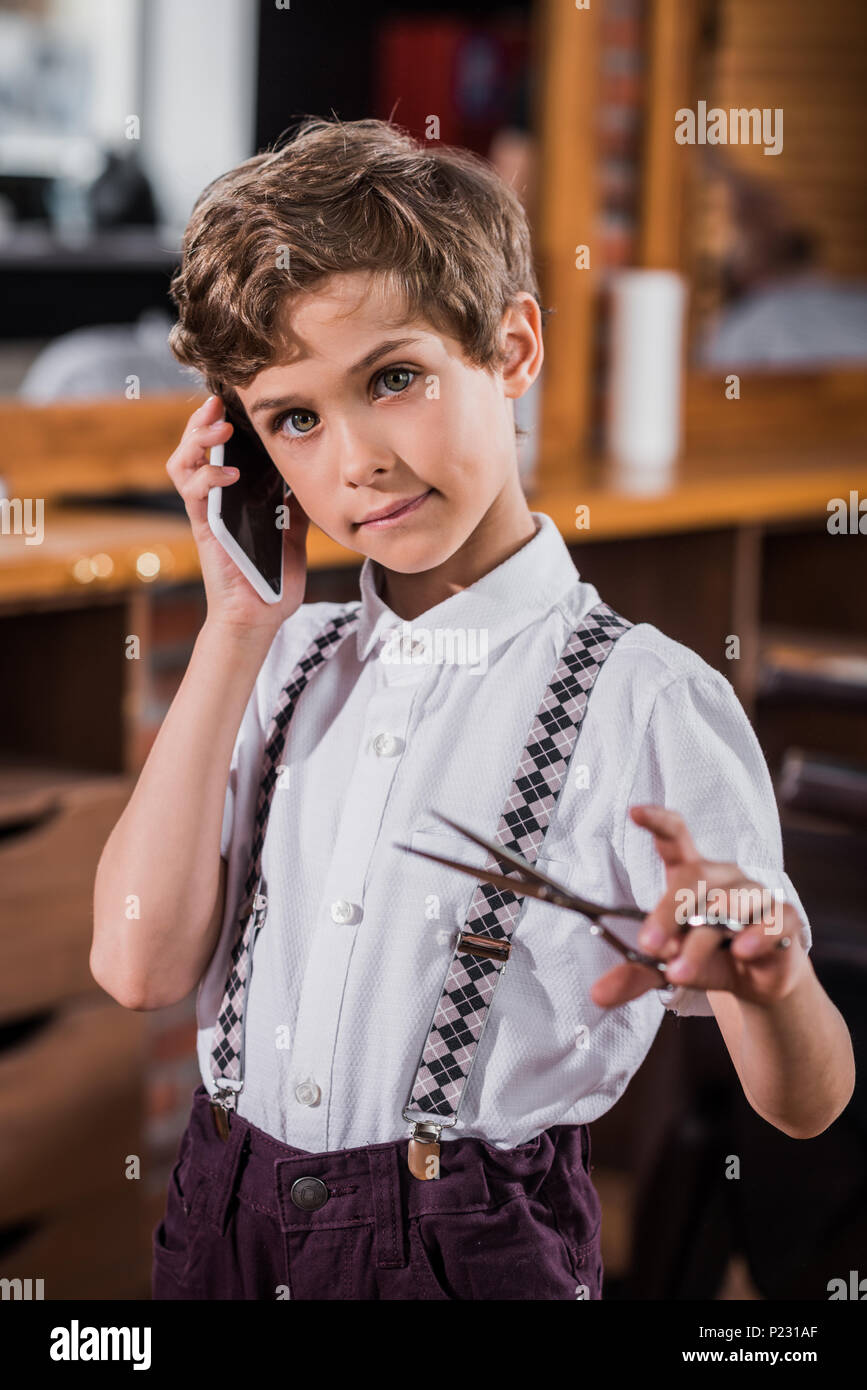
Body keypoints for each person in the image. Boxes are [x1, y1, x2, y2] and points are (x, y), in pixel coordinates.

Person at [91, 117, 855, 1301]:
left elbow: (808, 1103)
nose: (357, 463)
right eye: (294, 418)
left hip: (471, 1254)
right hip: (223, 1227)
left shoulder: (645, 701)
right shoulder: (280, 667)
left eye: (394, 379)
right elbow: (139, 964)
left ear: (510, 348)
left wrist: (775, 982)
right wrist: (236, 630)